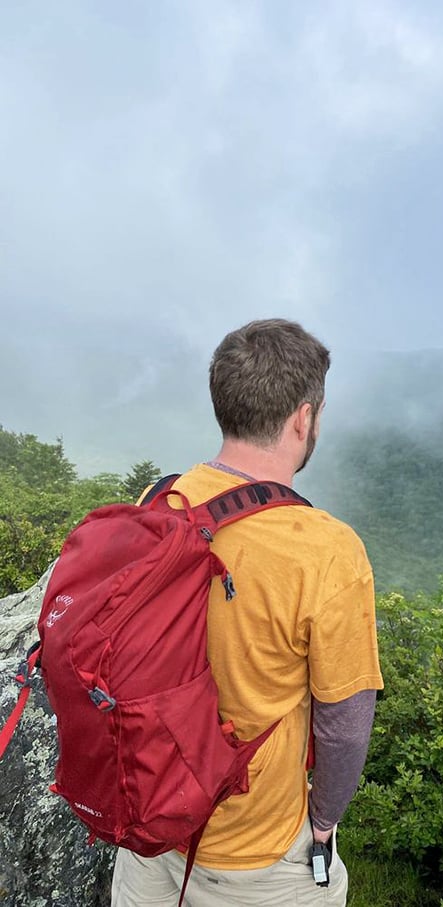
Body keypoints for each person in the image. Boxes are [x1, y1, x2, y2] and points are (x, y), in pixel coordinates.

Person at [111, 318, 383, 906]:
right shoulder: (329, 551)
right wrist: (323, 824)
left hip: (151, 817)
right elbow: (344, 725)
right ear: (304, 417)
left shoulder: (159, 501)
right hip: (256, 855)